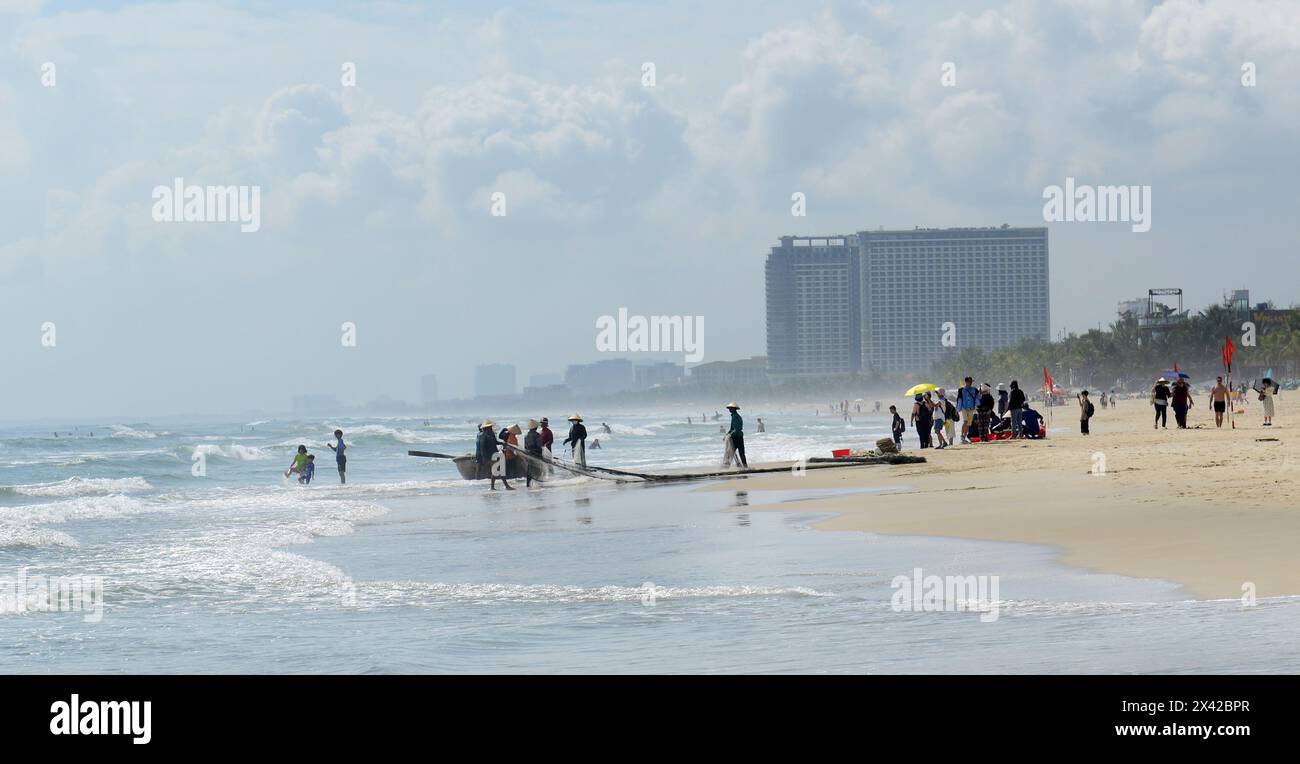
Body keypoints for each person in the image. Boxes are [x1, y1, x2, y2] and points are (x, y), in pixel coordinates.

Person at [476, 420, 512, 490]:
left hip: (494, 454)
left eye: (491, 427)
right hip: (489, 456)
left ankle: (494, 487)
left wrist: (502, 443)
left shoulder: (491, 434)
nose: (491, 428)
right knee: (498, 470)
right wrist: (484, 459)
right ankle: (505, 486)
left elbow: (495, 442)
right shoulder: (482, 435)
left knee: (497, 471)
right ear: (486, 428)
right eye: (490, 427)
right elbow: (482, 447)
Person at [725, 402, 748, 468]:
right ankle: (744, 467)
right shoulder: (734, 416)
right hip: (738, 437)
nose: (729, 409)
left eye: (731, 408)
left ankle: (726, 468)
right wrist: (727, 435)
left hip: (737, 438)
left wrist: (730, 435)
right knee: (739, 453)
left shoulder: (736, 417)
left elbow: (736, 429)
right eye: (729, 408)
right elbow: (732, 428)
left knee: (732, 453)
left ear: (734, 409)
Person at [956, 377, 978, 444]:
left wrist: (977, 407)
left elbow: (978, 398)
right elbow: (959, 400)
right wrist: (957, 410)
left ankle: (964, 438)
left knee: (968, 424)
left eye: (971, 382)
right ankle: (962, 436)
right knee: (965, 421)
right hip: (964, 408)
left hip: (971, 408)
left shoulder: (974, 389)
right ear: (966, 382)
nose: (970, 383)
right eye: (969, 381)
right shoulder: (961, 389)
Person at [523, 419, 544, 487]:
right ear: (535, 427)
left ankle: (528, 484)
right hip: (536, 454)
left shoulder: (526, 435)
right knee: (538, 469)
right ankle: (538, 484)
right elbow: (539, 446)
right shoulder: (537, 435)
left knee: (529, 470)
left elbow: (525, 447)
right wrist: (541, 455)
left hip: (529, 454)